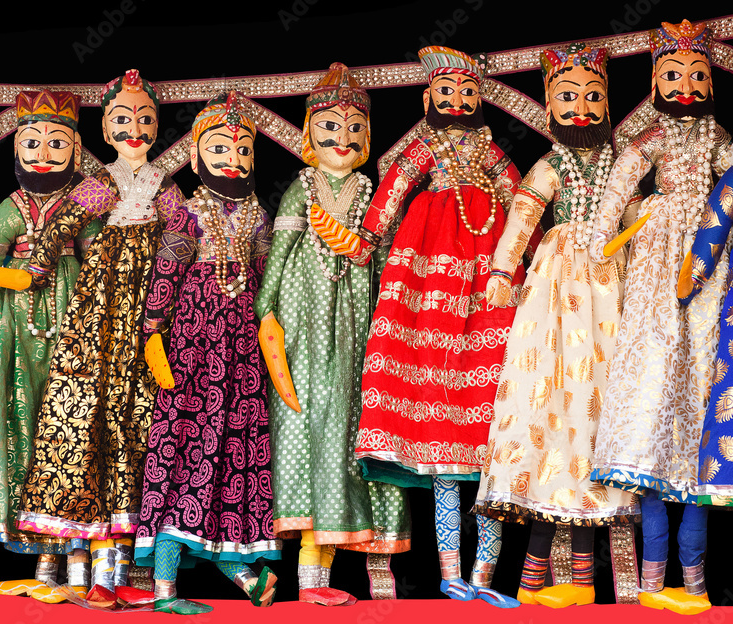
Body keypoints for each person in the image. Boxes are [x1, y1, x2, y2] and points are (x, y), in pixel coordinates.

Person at [324, 47, 526, 607]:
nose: (458, 103)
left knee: (488, 450)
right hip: (429, 273)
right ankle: (450, 573)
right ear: (426, 99)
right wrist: (366, 237)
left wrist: (535, 251)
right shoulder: (425, 148)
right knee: (440, 450)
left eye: (468, 93)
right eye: (447, 93)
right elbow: (392, 188)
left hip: (489, 269)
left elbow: (523, 199)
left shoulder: (490, 152)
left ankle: (485, 575)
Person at [473, 44, 641, 608]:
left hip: (610, 285)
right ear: (549, 105)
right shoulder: (550, 165)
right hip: (555, 287)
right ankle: (532, 579)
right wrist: (501, 268)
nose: (582, 109)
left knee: (597, 406)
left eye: (593, 97)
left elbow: (638, 224)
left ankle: (584, 585)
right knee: (548, 405)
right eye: (568, 98)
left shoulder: (621, 166)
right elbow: (522, 217)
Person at [15, 69, 185, 605]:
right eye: (121, 119)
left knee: (135, 418)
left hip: (146, 317)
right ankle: (71, 556)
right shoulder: (103, 184)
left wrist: (159, 300)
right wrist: (36, 262)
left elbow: (180, 240)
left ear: (157, 127)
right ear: (106, 131)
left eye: (144, 119)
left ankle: (116, 569)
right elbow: (63, 221)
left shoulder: (164, 186)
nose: (133, 128)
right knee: (76, 410)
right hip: (95, 313)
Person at [588, 20, 733, 616]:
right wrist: (602, 241)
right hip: (655, 260)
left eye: (698, 74)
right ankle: (652, 584)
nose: (686, 85)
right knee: (653, 384)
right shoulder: (647, 138)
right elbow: (617, 188)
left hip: (710, 260)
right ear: (653, 81)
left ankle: (692, 583)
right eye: (672, 75)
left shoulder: (719, 137)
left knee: (699, 389)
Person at [255, 63, 411, 606]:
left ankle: (376, 574)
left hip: (359, 313)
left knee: (360, 422)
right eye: (328, 128)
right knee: (309, 418)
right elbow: (277, 253)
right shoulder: (301, 188)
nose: (340, 140)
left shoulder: (373, 189)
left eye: (352, 129)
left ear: (366, 137)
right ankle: (310, 579)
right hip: (301, 316)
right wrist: (266, 304)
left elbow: (387, 253)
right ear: (307, 134)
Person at [0, 89, 101, 601]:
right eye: (32, 142)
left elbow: (97, 266)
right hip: (12, 332)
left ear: (77, 150)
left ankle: (76, 561)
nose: (43, 154)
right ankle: (42, 565)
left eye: (56, 143)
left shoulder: (85, 204)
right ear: (15, 149)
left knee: (68, 435)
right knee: (21, 428)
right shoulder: (9, 209)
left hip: (72, 327)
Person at [135, 92, 277, 614]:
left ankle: (240, 572)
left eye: (243, 152)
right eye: (219, 149)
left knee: (230, 458)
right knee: (182, 451)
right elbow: (164, 280)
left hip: (242, 356)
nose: (233, 161)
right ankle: (167, 590)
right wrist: (152, 335)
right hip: (192, 350)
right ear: (195, 159)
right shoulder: (187, 217)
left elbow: (264, 283)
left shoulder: (259, 219)